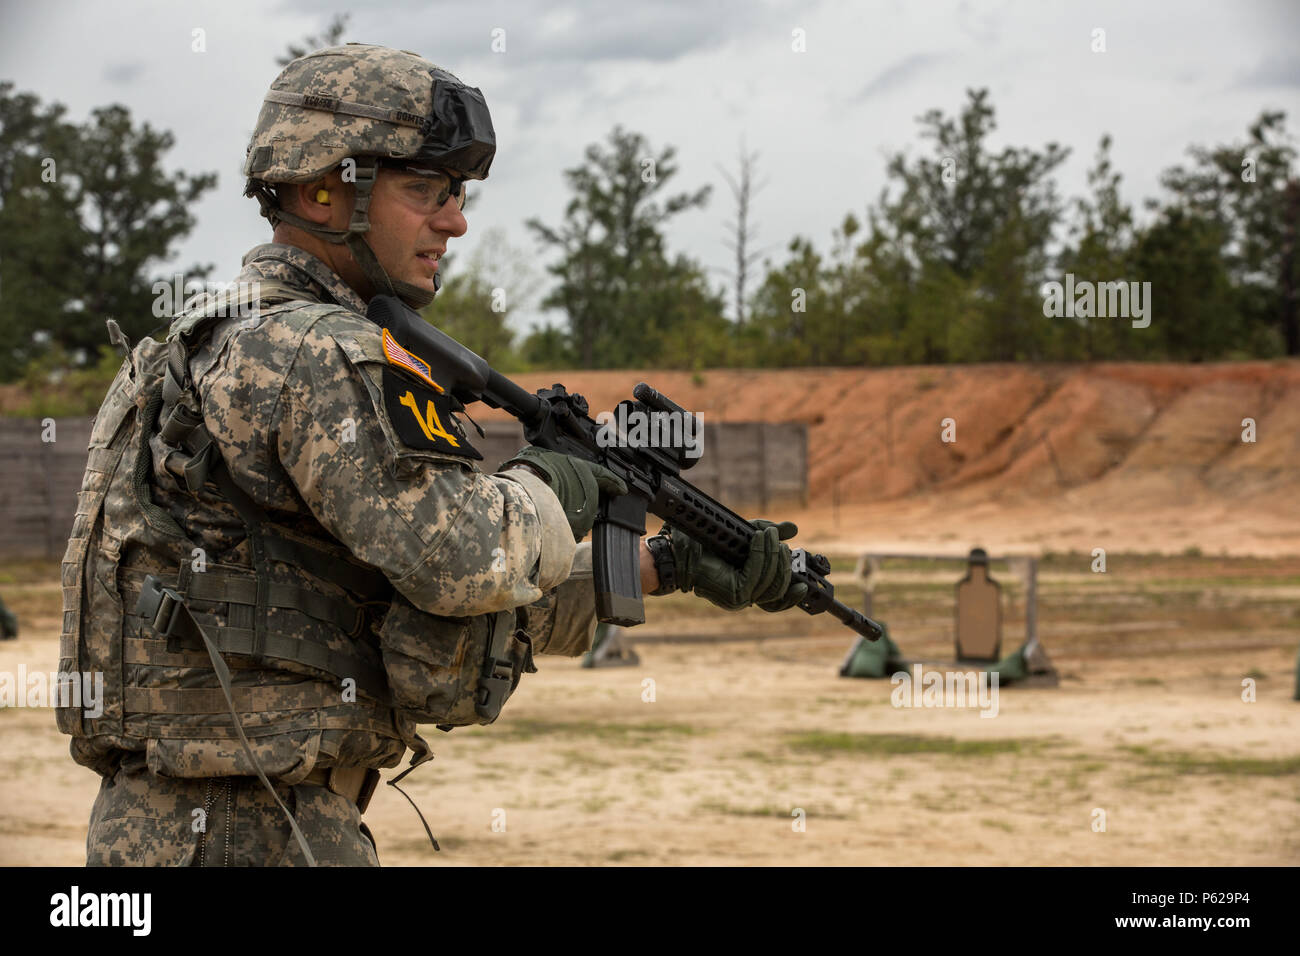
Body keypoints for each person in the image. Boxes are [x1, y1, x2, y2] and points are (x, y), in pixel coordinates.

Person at [56, 43, 804, 867]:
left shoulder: (204, 343)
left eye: (454, 195)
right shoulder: (319, 352)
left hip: (201, 822)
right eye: (426, 192)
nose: (454, 221)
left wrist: (665, 565)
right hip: (252, 826)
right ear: (323, 189)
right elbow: (466, 558)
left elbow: (415, 607)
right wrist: (554, 482)